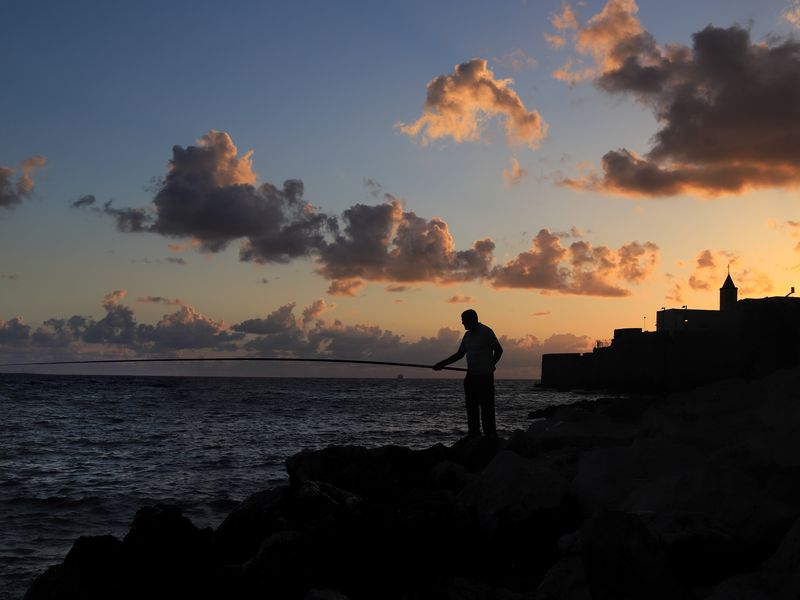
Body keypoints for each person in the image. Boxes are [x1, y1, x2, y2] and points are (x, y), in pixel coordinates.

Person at [433, 309, 503, 437]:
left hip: (485, 376)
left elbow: (499, 350)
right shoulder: (467, 336)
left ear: (472, 320)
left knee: (487, 408)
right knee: (471, 407)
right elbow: (459, 355)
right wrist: (442, 364)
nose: (462, 323)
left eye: (464, 321)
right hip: (471, 375)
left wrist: (491, 365)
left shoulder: (486, 332)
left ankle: (490, 436)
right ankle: (474, 434)